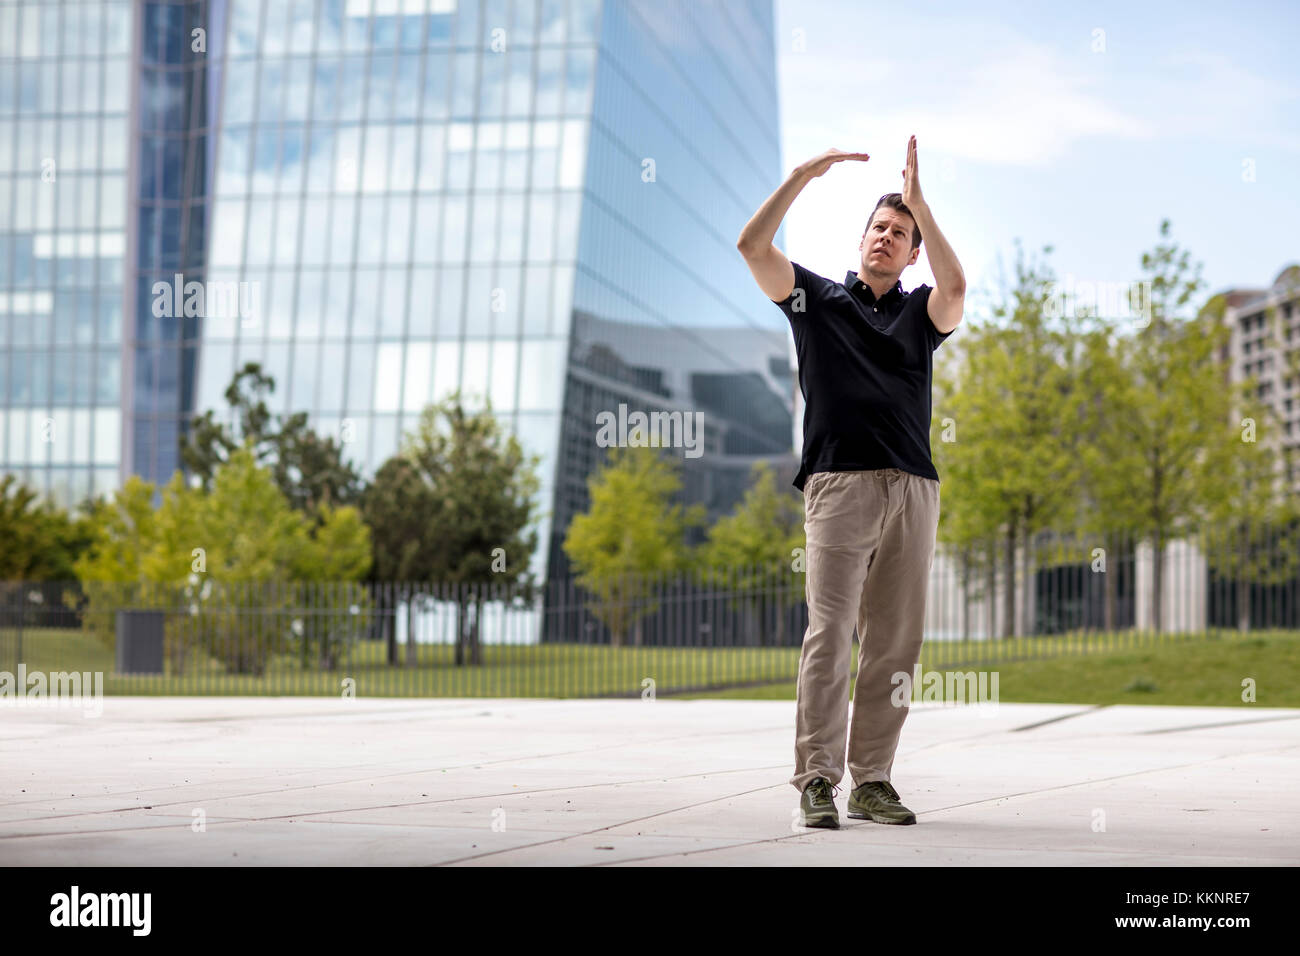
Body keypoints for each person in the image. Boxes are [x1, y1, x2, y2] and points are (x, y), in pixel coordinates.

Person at [736, 136, 965, 828]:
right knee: (830, 633)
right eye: (881, 227)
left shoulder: (921, 313)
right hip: (839, 484)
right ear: (862, 238)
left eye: (902, 232)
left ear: (912, 251)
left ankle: (872, 781)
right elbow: (751, 247)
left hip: (912, 488)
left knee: (895, 641)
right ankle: (816, 778)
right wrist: (801, 177)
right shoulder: (816, 300)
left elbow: (958, 291)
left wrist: (923, 202)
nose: (889, 237)